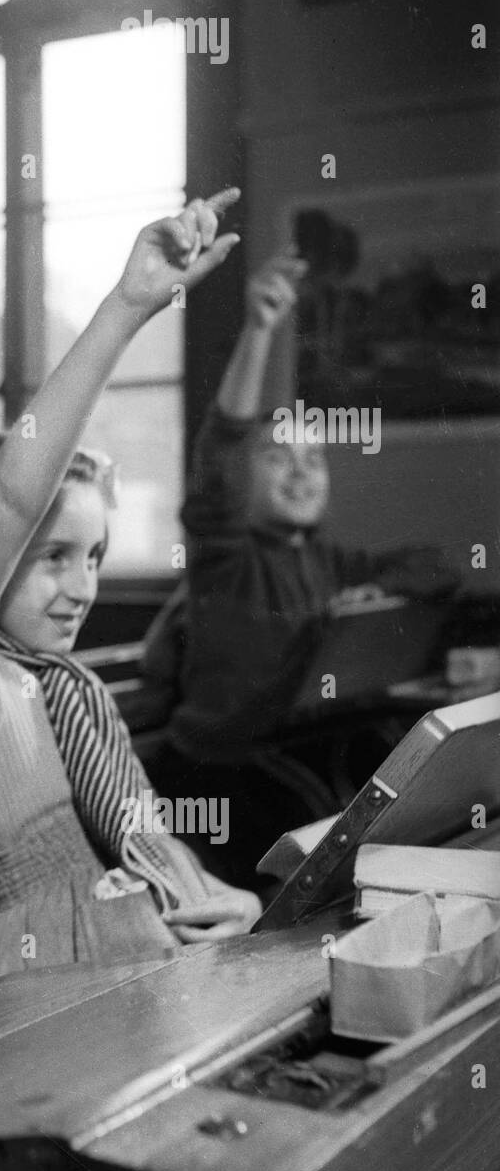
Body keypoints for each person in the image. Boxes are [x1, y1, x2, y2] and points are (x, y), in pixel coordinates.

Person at [0, 189, 261, 985]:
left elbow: (147, 838)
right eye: (53, 556)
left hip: (154, 945)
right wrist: (126, 309)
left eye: (95, 557)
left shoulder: (67, 688)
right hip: (56, 971)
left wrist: (232, 901)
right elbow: (18, 494)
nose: (83, 587)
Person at [144, 249, 459, 891]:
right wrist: (260, 330)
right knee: (329, 858)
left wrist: (379, 591)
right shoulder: (225, 553)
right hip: (218, 770)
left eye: (314, 458)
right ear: (242, 480)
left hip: (293, 750)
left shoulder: (327, 559)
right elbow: (222, 444)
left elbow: (439, 568)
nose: (301, 471)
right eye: (279, 456)